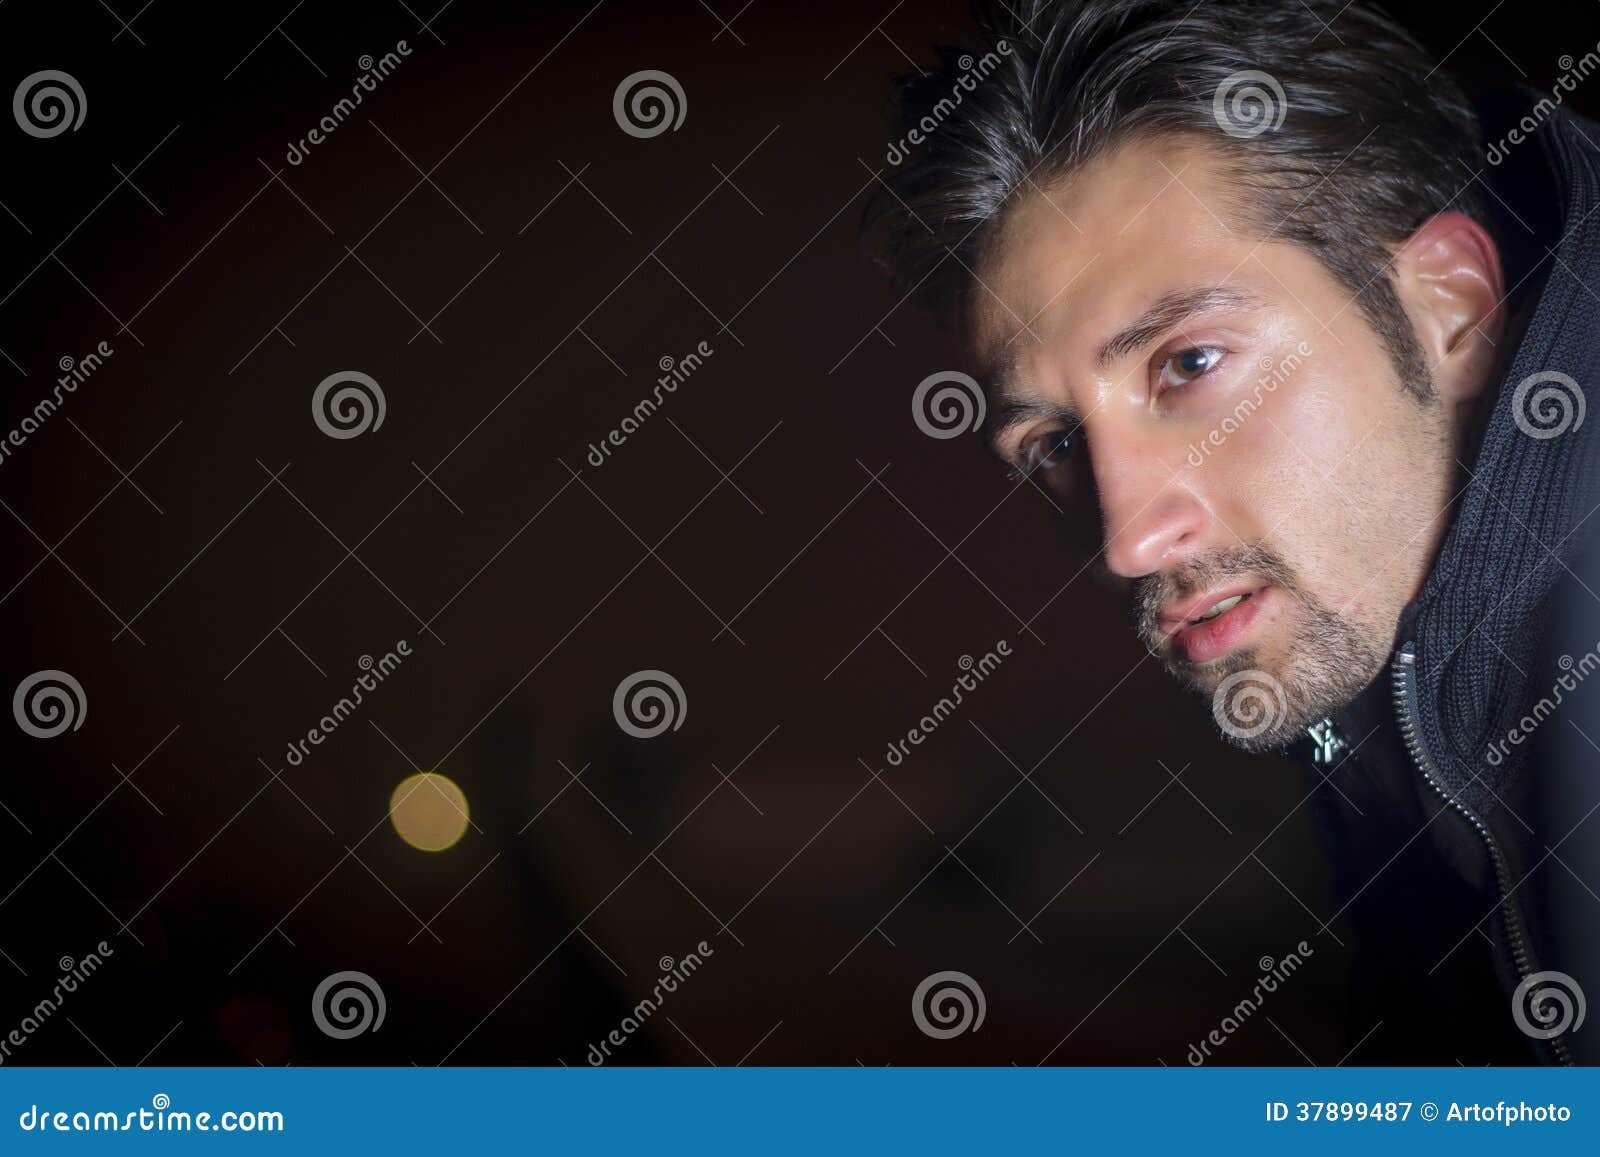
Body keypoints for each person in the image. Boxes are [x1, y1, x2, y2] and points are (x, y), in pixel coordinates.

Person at [867, 0, 1600, 1063]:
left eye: (1191, 363)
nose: (1130, 538)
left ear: (1447, 301)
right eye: (1057, 444)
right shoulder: (1372, 595)